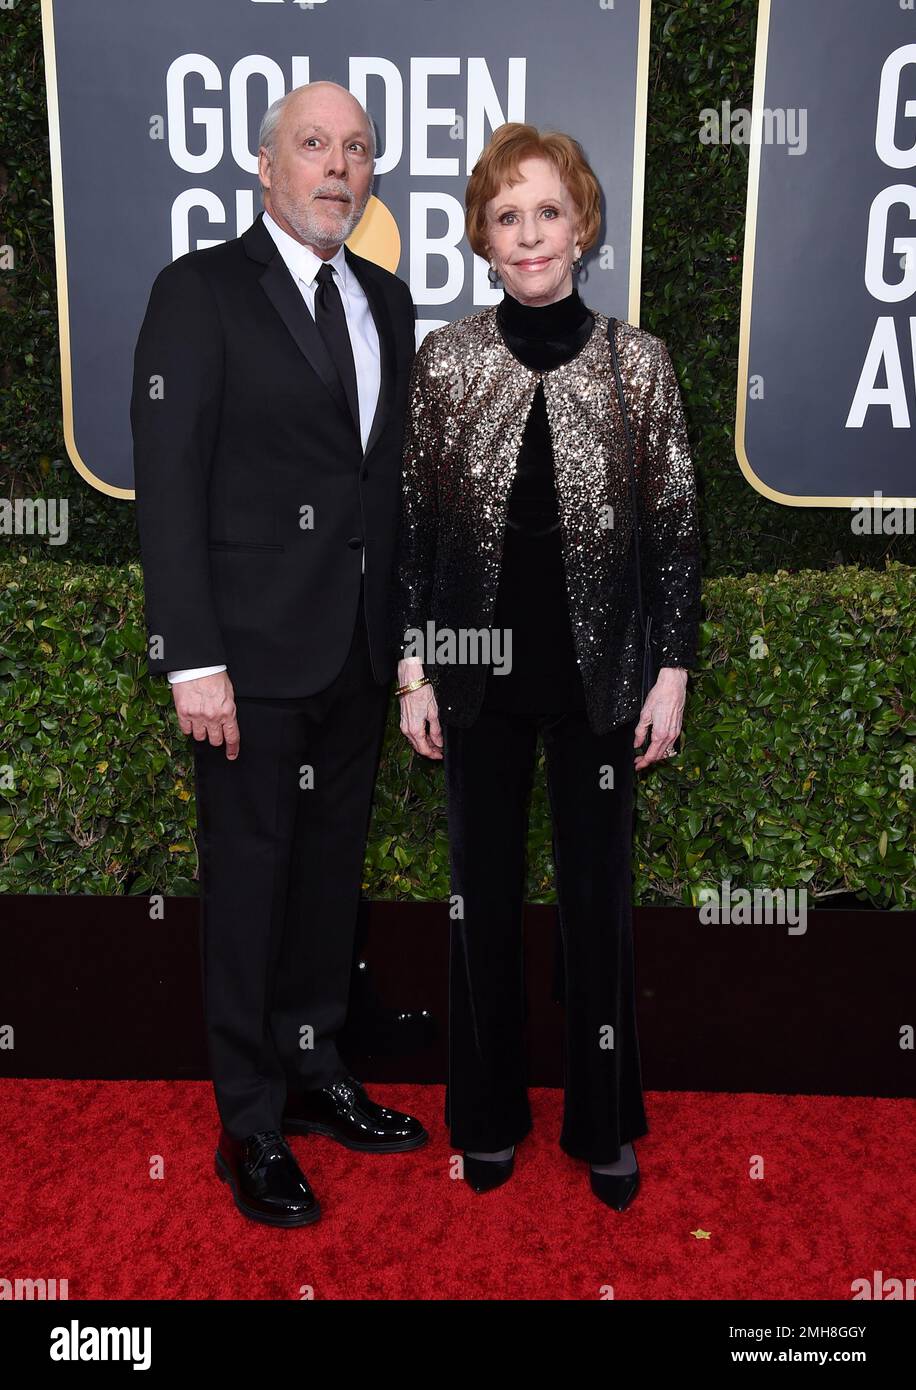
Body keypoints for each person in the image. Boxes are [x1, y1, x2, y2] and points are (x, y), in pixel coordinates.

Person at [131, 82, 426, 1228]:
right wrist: (189, 656)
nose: (337, 166)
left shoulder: (389, 302)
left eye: (356, 148)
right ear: (266, 166)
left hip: (352, 658)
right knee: (249, 891)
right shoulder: (198, 291)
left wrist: (405, 654)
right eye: (314, 145)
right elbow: (170, 485)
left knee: (323, 889)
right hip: (245, 665)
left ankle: (314, 1070)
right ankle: (248, 1123)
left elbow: (387, 497)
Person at [395, 123, 701, 1212]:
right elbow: (415, 533)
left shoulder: (637, 364)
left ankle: (602, 1118)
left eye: (547, 211)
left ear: (582, 225)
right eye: (506, 215)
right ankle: (483, 1115)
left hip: (599, 686)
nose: (529, 235)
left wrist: (671, 671)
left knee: (595, 904)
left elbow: (672, 533)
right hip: (475, 680)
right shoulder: (448, 362)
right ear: (483, 235)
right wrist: (413, 669)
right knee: (480, 901)